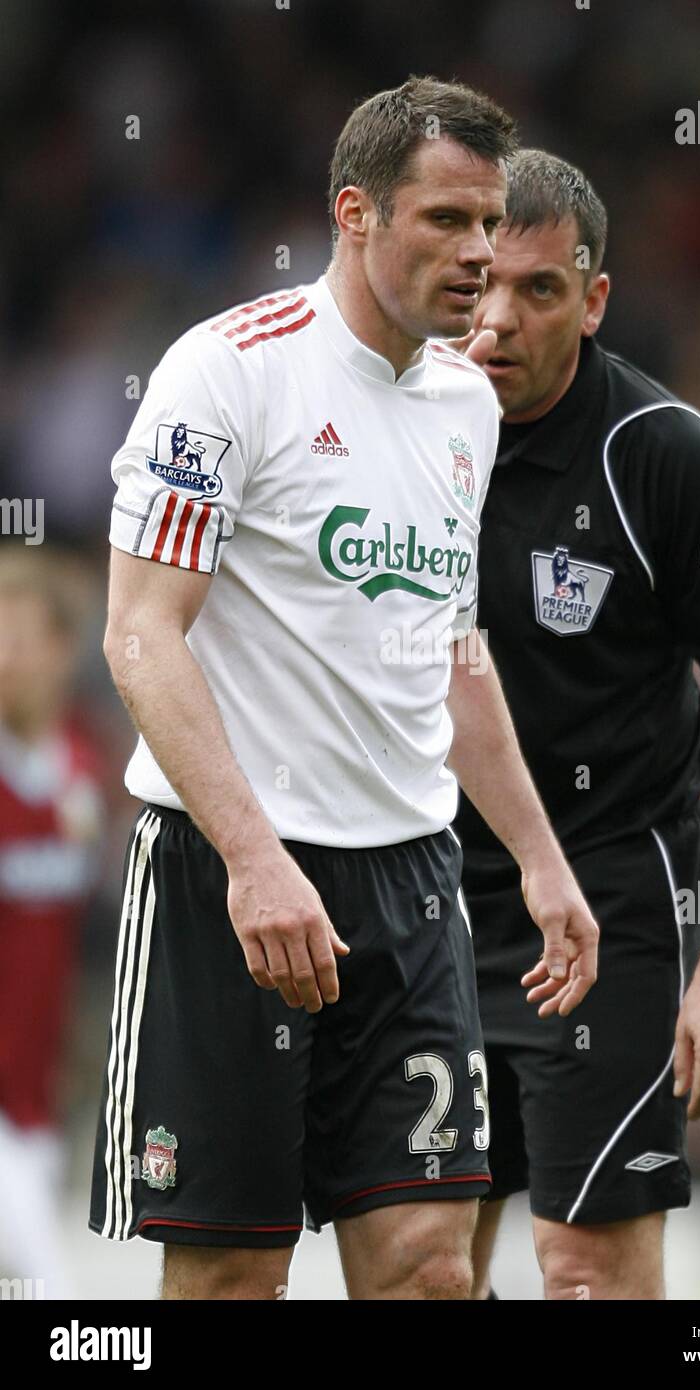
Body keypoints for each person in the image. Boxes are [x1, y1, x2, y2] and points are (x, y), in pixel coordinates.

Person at [88, 84, 599, 1301]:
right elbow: (140, 635)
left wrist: (536, 852)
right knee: (229, 1279)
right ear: (356, 213)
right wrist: (257, 857)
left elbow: (450, 646)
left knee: (430, 1269)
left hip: (414, 888)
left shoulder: (468, 404)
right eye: (446, 219)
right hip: (229, 878)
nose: (479, 251)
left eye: (491, 220)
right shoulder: (225, 372)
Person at [453, 149, 700, 1300]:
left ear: (593, 298)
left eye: (540, 290)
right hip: (421, 886)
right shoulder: (396, 430)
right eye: (480, 285)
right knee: (419, 1267)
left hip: (607, 894)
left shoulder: (661, 454)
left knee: (584, 1270)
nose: (498, 321)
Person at [0, 551, 103, 1298]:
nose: (5, 658)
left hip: (35, 1093)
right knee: (48, 1292)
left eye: (21, 637)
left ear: (65, 648)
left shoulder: (83, 757)